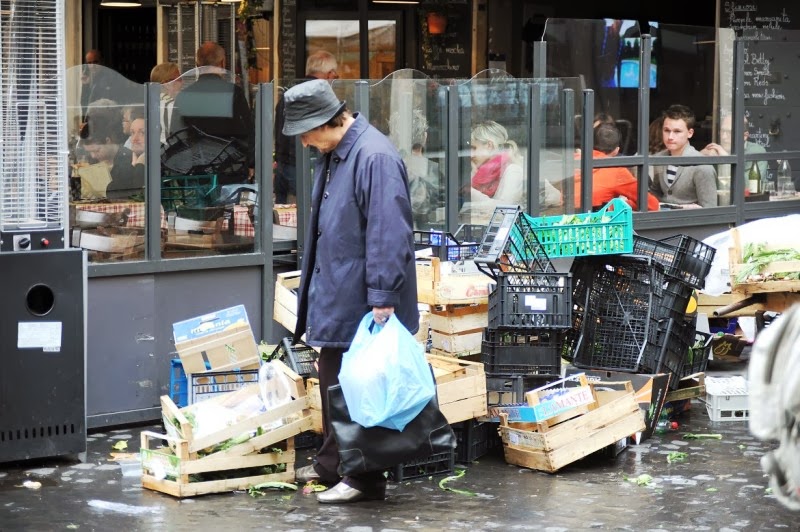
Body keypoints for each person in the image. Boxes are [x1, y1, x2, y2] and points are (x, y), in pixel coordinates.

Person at [283, 79, 419, 504]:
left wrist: (382, 296)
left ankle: (363, 480)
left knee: (358, 390)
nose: (304, 141)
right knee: (335, 383)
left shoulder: (373, 157)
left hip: (362, 300)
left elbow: (388, 231)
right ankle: (332, 464)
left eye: (306, 131)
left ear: (327, 121)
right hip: (342, 292)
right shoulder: (339, 153)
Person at [174, 42, 254, 184]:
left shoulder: (183, 96)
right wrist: (251, 163)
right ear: (223, 63)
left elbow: (177, 135)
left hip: (195, 172)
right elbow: (247, 132)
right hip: (230, 170)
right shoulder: (234, 93)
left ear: (197, 65)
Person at [461, 120, 561, 222]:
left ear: (489, 146)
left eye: (474, 148)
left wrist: (471, 192)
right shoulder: (482, 172)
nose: (471, 154)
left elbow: (504, 212)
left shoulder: (513, 170)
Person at [274, 50, 339, 204]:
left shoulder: (289, 92)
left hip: (283, 166)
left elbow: (278, 128)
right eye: (335, 76)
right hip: (305, 165)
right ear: (329, 74)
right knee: (310, 214)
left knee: (283, 218)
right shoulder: (320, 95)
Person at [574, 123, 660, 211]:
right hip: (595, 221)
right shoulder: (616, 171)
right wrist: (619, 204)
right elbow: (652, 205)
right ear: (616, 151)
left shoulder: (572, 160)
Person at [650, 104, 718, 208]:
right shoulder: (659, 158)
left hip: (690, 221)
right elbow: (656, 193)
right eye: (666, 130)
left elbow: (709, 208)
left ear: (690, 133)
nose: (670, 137)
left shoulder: (702, 166)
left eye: (677, 131)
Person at [79, 99, 144, 199]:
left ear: (108, 141)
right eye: (132, 133)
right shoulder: (91, 161)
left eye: (96, 150)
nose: (93, 155)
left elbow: (122, 191)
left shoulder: (128, 158)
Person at [701, 113, 768, 181]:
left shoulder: (757, 151)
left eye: (729, 132)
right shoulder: (714, 150)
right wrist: (700, 156)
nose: (723, 137)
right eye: (722, 131)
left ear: (744, 136)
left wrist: (726, 159)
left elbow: (750, 184)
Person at [150, 62, 184, 145]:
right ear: (167, 84)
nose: (182, 82)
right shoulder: (172, 106)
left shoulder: (149, 103)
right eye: (179, 79)